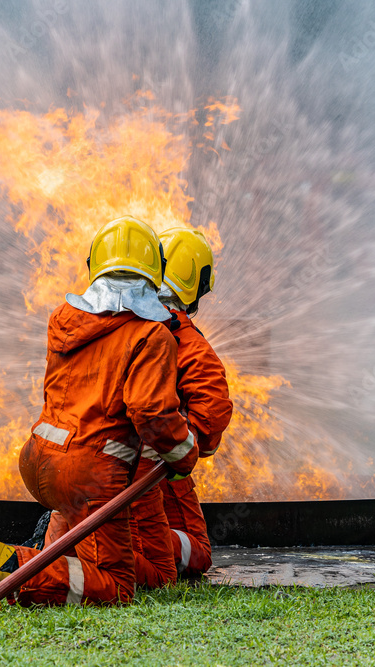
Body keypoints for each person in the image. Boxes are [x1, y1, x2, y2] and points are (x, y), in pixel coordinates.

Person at [0, 216, 199, 606]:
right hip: (90, 477)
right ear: (155, 274)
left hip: (39, 459)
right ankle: (7, 565)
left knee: (68, 553)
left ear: (94, 268)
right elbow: (151, 412)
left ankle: (30, 564)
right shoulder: (151, 335)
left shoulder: (63, 320)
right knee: (120, 586)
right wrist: (185, 452)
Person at [150, 227, 233, 577]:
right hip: (150, 470)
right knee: (196, 553)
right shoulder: (184, 340)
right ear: (195, 286)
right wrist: (184, 451)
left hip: (80, 460)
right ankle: (124, 537)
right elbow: (210, 416)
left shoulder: (108, 322)